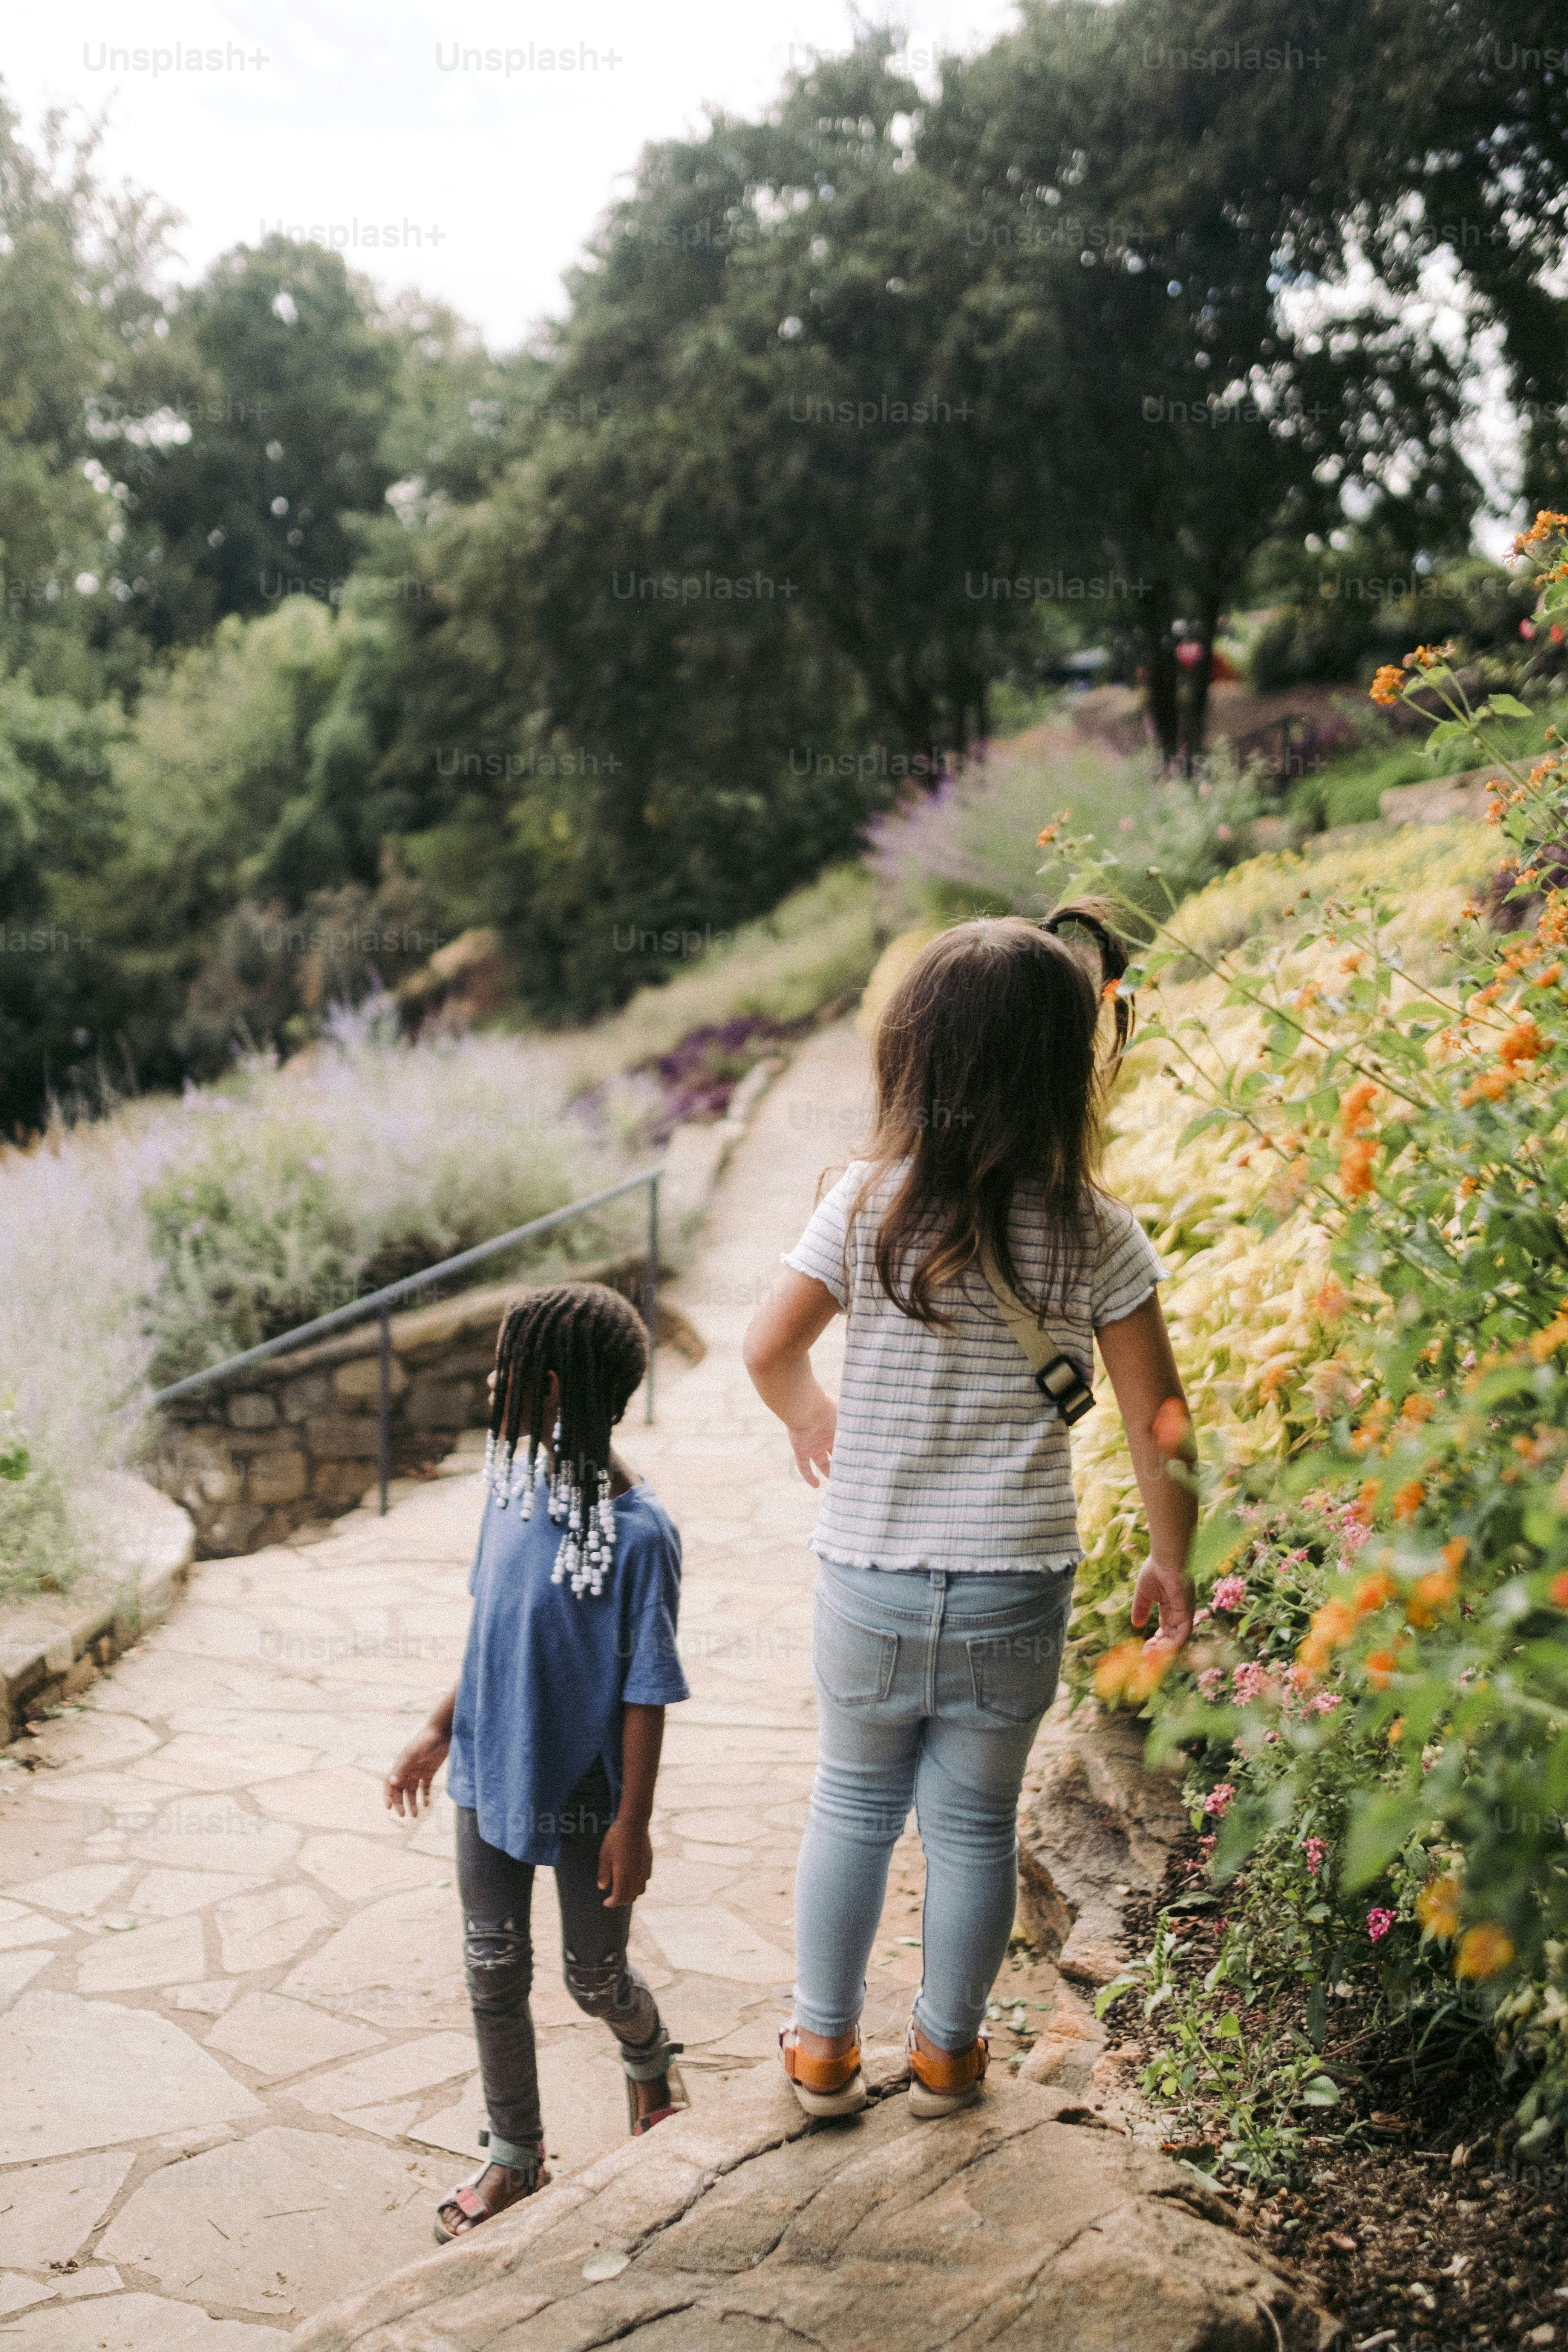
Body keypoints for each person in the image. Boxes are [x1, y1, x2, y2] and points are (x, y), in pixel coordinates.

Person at [743, 909, 1196, 2122]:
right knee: (975, 1826)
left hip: (873, 1580)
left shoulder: (863, 1204)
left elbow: (768, 1348)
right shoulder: (1097, 1229)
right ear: (1060, 1066)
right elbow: (1160, 1421)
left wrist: (810, 1416)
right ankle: (948, 2055)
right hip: (1013, 1586)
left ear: (914, 1057)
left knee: (853, 1806)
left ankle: (824, 2052)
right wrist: (1171, 1558)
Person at [384, 1282, 691, 2240]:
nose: (491, 1383)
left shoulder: (642, 1535)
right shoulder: (511, 1493)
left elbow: (645, 1689)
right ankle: (516, 2155)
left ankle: (650, 2057)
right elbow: (493, 1630)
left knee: (592, 1978)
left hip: (586, 1791)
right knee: (491, 1967)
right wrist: (439, 1727)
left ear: (553, 1388)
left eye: (505, 1368)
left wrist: (632, 1823)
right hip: (489, 1767)